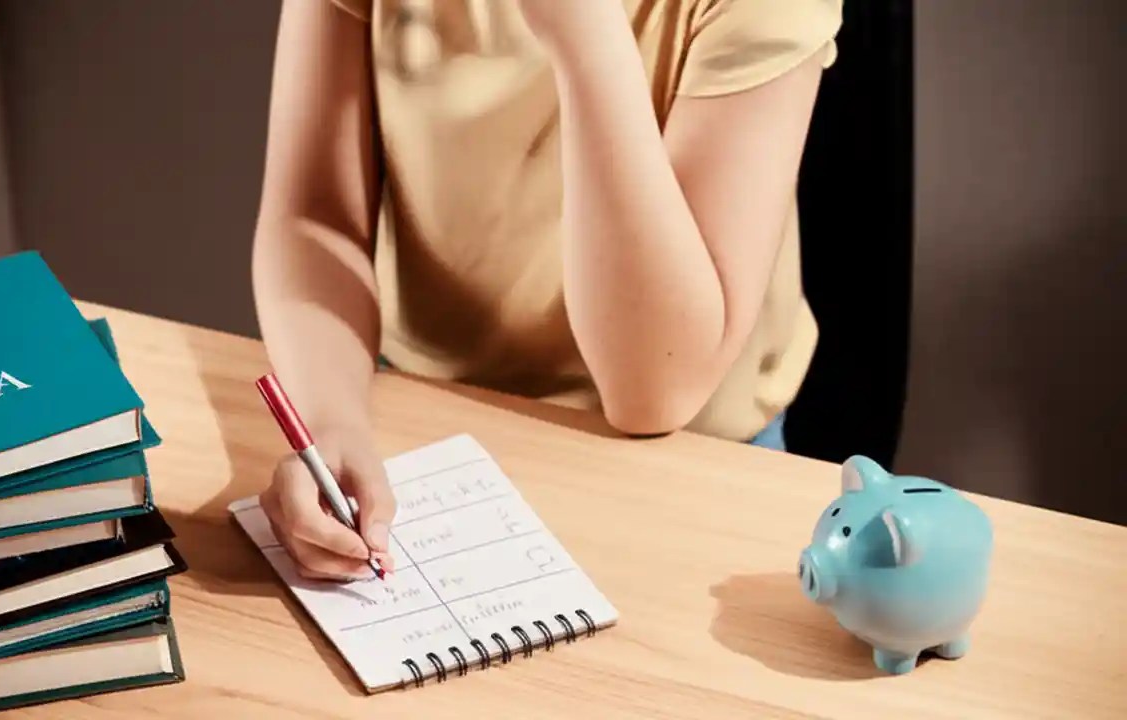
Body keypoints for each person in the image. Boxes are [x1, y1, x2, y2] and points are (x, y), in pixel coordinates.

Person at [251, 0, 844, 581]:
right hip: (424, 420)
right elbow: (314, 218)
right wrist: (331, 421)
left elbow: (654, 393)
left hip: (686, 459)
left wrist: (586, 40)